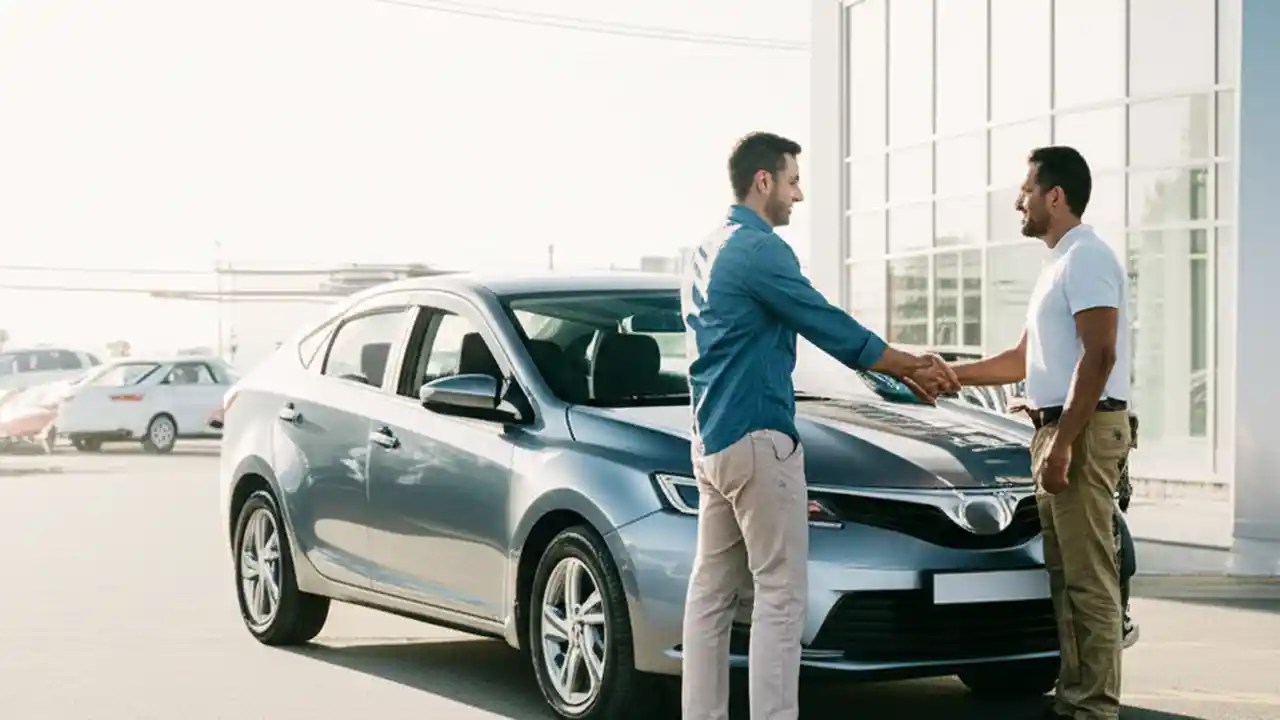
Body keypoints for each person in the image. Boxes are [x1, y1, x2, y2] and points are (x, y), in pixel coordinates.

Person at [679, 131, 952, 720]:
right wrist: (909, 367)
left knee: (711, 594)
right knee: (780, 595)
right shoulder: (760, 251)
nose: (798, 195)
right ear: (764, 182)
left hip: (712, 443)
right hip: (758, 440)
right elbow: (825, 323)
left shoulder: (701, 252)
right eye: (794, 180)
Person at [946, 145, 1132, 720]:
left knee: (1090, 580)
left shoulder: (1087, 258)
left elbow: (1098, 356)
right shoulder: (1056, 265)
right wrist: (950, 374)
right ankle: (1076, 700)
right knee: (1066, 578)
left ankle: (1093, 708)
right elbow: (1021, 361)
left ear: (1055, 196)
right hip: (1055, 430)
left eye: (1025, 190)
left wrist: (1065, 442)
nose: (1017, 201)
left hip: (1082, 430)